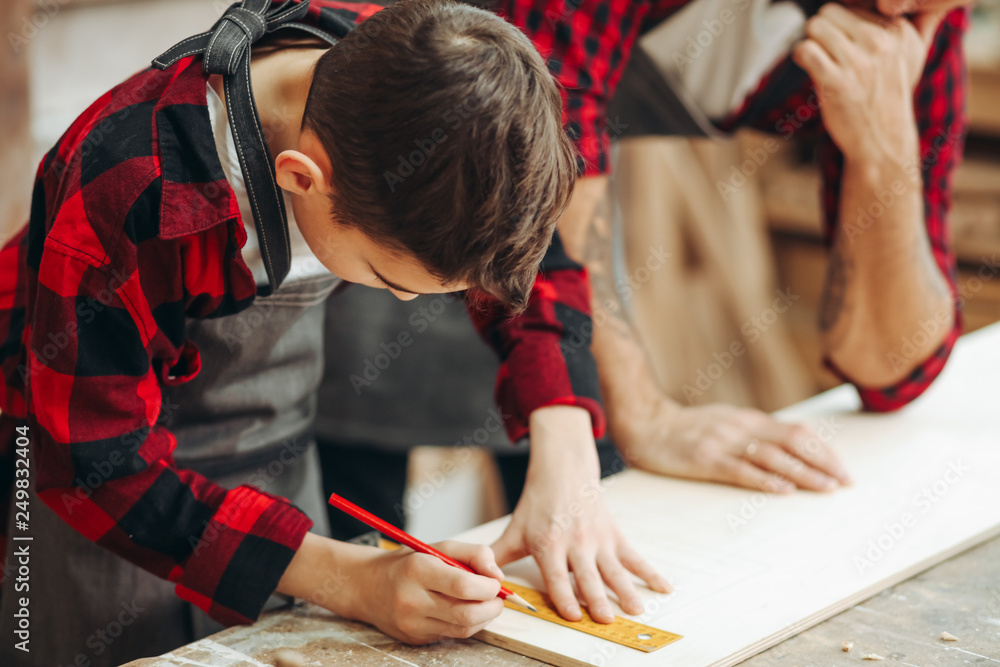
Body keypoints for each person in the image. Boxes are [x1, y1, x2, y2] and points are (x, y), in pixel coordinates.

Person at [0, 1, 667, 664]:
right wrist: (350, 578)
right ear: (300, 177)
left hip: (279, 468)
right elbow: (98, 466)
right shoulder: (126, 191)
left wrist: (566, 446)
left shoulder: (402, 62)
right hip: (102, 501)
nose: (406, 300)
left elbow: (528, 255)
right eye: (389, 277)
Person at [311, 0, 970, 625]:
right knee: (358, 538)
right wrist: (640, 412)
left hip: (552, 239)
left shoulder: (917, 24)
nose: (899, 10)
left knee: (578, 512)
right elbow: (544, 173)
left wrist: (886, 153)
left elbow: (893, 370)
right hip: (386, 200)